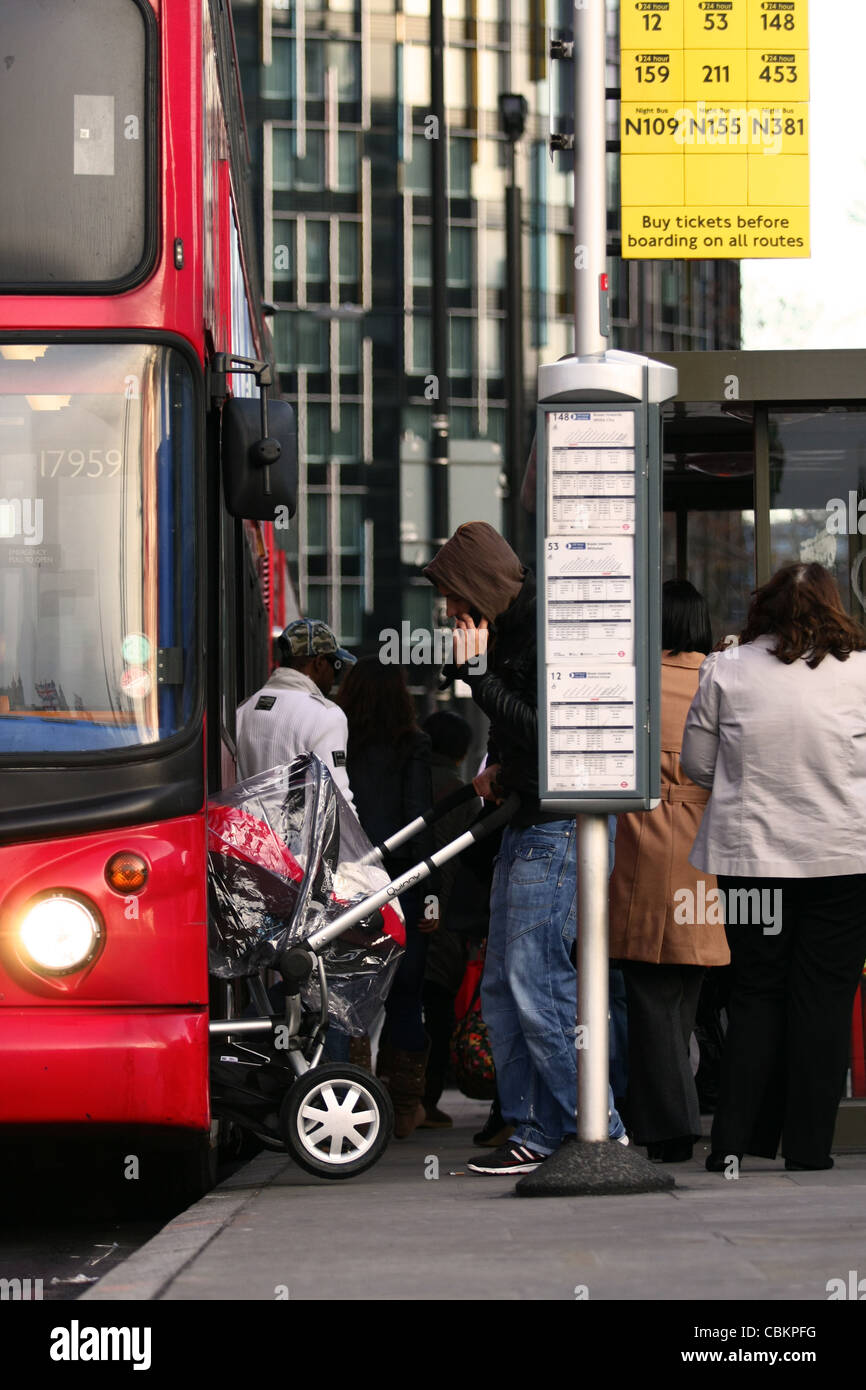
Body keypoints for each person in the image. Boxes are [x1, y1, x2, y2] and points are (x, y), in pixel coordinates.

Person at [423, 521, 626, 1175]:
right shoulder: (513, 627)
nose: (450, 611)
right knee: (507, 987)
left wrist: (478, 681)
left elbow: (554, 732)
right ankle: (538, 1129)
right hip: (531, 819)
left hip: (561, 825)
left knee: (537, 980)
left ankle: (597, 1130)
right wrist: (501, 772)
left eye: (454, 596)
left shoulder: (546, 630)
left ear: (478, 585)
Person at [681, 562, 866, 1173]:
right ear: (836, 607)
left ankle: (733, 1139)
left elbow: (696, 768)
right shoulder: (863, 672)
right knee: (826, 1000)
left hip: (749, 858)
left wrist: (745, 782)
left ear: (764, 606)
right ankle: (809, 1148)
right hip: (843, 858)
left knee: (755, 993)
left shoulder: (727, 669)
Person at [609, 581, 730, 1163]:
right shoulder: (720, 675)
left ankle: (671, 1124)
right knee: (685, 987)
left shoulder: (636, 679)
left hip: (646, 840)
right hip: (710, 844)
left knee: (649, 985)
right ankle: (675, 1113)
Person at [336, 658, 435, 1137]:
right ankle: (405, 1108)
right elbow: (419, 820)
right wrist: (428, 890)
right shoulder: (412, 745)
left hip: (348, 881)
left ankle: (356, 1102)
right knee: (405, 995)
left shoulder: (342, 741)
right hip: (400, 880)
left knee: (352, 993)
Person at [419, 710, 480, 1128]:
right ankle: (426, 1099)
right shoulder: (462, 795)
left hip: (410, 907)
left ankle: (405, 1098)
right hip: (447, 917)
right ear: (460, 753)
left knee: (408, 1003)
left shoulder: (413, 784)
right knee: (439, 1012)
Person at [235, 619, 356, 805]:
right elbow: (338, 802)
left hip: (245, 832)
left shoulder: (243, 710)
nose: (334, 679)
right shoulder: (327, 716)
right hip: (296, 835)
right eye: (336, 667)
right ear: (320, 663)